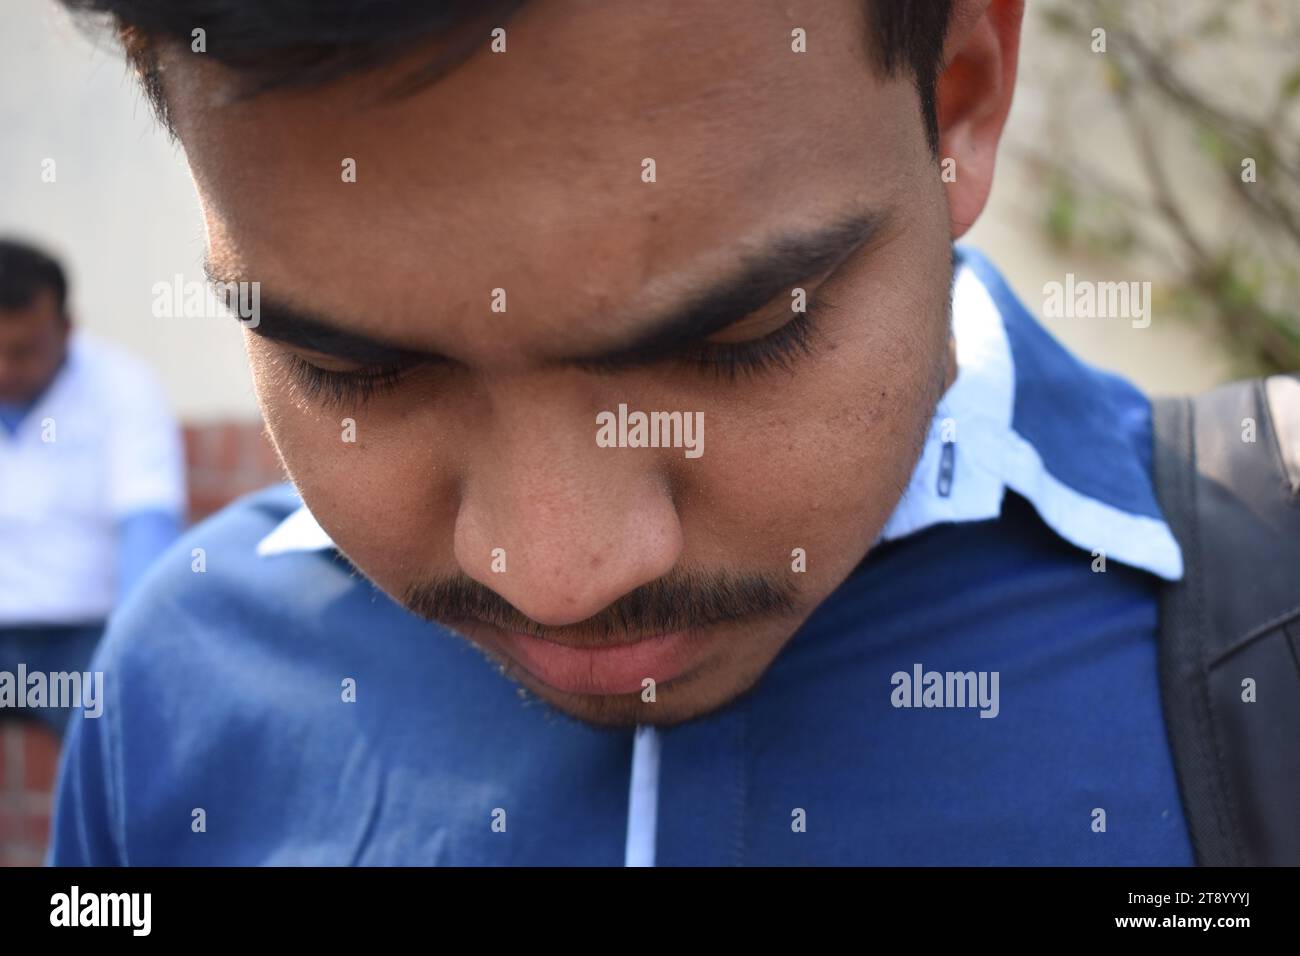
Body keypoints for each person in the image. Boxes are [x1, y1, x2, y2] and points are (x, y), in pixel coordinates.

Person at [42, 0, 1278, 865]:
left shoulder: (1269, 624)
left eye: (735, 340)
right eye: (349, 370)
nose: (561, 573)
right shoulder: (179, 684)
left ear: (959, 97)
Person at [0, 239, 184, 739]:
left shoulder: (124, 387)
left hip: (86, 636)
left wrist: (132, 647)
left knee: (133, 730)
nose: (4, 371)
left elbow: (147, 533)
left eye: (23, 352)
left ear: (65, 329)